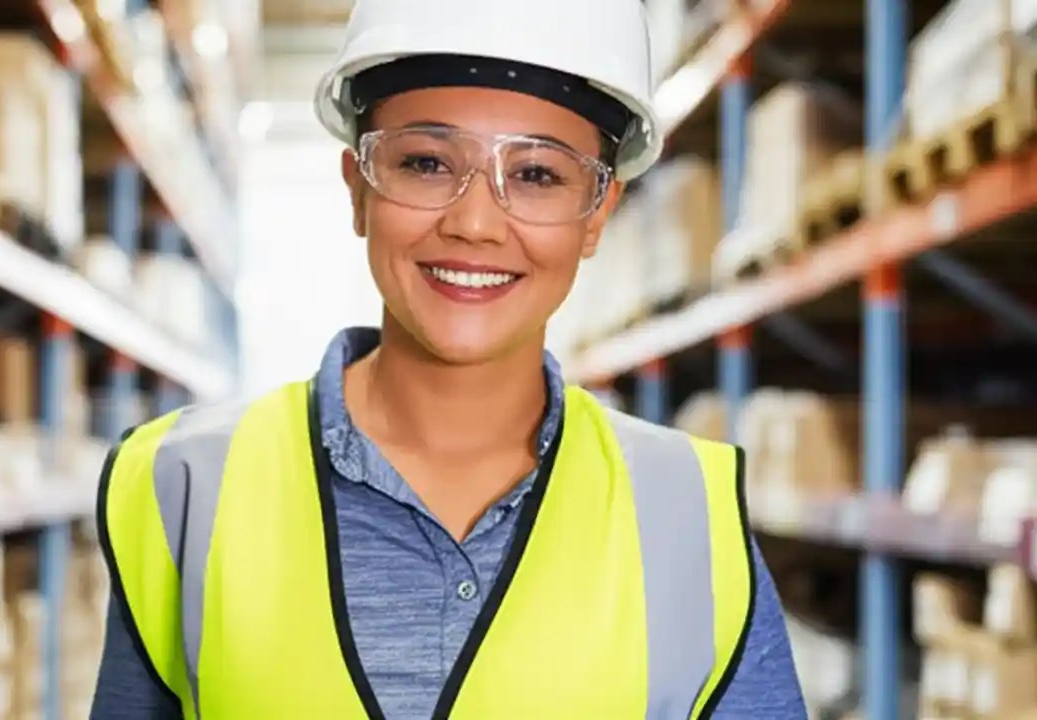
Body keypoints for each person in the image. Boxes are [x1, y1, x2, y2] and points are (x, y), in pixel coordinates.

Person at [90, 0, 807, 717]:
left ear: (598, 214)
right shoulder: (184, 485)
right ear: (358, 188)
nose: (473, 223)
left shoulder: (687, 513)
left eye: (536, 175)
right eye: (427, 163)